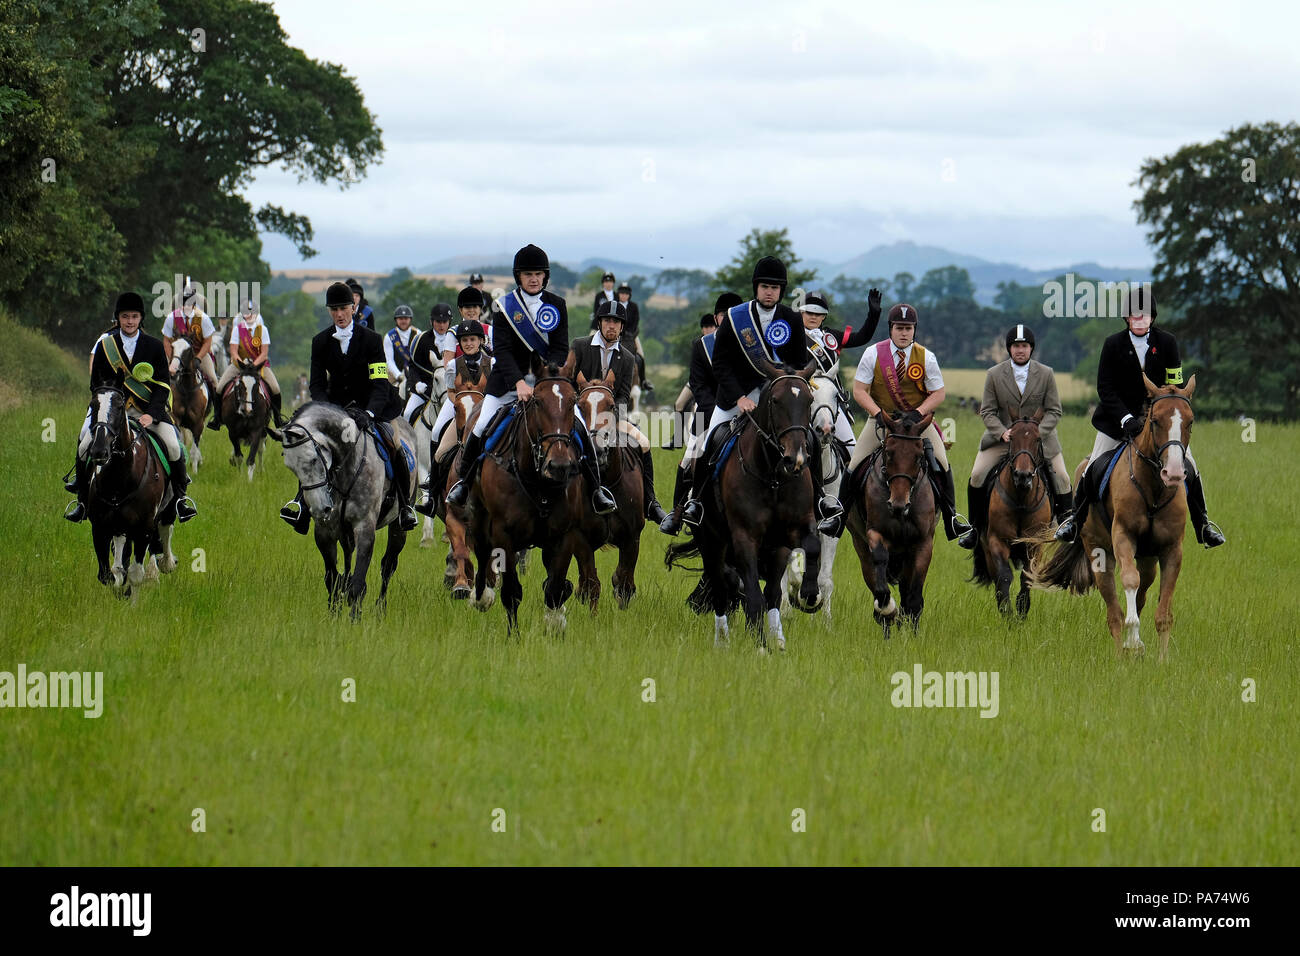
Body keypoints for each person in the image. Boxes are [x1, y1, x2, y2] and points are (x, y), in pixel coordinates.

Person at [658, 258, 841, 536]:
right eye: (765, 286)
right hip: (736, 397)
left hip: (776, 394)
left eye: (775, 288)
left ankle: (820, 500)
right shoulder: (735, 317)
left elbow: (798, 362)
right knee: (709, 442)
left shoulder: (791, 318)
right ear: (756, 288)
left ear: (781, 291)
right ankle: (694, 502)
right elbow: (720, 364)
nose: (770, 292)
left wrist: (788, 386)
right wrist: (739, 397)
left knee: (810, 440)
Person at [446, 244, 613, 511]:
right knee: (481, 425)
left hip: (548, 383)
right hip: (509, 384)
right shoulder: (504, 306)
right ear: (518, 277)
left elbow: (560, 347)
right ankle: (463, 484)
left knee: (580, 426)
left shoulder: (557, 304)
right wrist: (519, 382)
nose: (533, 279)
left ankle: (596, 490)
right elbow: (501, 349)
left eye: (538, 274)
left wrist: (548, 376)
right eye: (527, 274)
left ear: (545, 276)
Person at [1055, 288, 1224, 547]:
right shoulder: (1113, 344)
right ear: (1127, 318)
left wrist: (1163, 412)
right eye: (1134, 315)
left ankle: (1203, 526)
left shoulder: (1167, 343)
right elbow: (1105, 388)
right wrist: (1126, 418)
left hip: (1160, 425)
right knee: (1092, 468)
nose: (1139, 320)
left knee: (1190, 467)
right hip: (1115, 423)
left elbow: (1174, 386)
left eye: (1144, 316)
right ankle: (1074, 523)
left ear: (1152, 318)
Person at [279, 281, 416, 533]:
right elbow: (317, 386)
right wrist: (330, 413)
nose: (339, 314)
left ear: (353, 307)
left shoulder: (372, 340)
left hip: (374, 405)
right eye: (334, 310)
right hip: (335, 409)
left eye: (343, 308)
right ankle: (300, 504)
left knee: (394, 444)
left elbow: (379, 383)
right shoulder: (320, 341)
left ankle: (405, 506)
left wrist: (370, 413)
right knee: (311, 450)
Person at [844, 303, 974, 546]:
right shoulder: (873, 354)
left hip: (918, 423)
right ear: (890, 329)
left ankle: (951, 518)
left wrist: (918, 413)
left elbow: (938, 393)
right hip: (882, 420)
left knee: (942, 463)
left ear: (915, 330)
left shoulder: (926, 357)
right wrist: (879, 414)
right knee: (853, 464)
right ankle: (839, 516)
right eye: (899, 328)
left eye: (908, 328)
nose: (904, 333)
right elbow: (859, 391)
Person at [64, 292, 197, 523]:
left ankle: (180, 500)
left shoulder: (154, 346)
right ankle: (83, 501)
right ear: (118, 318)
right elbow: (96, 383)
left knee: (174, 445)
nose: (129, 321)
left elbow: (163, 385)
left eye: (134, 316)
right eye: (125, 316)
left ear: (140, 319)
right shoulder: (106, 346)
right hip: (110, 411)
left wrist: (152, 414)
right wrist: (108, 406)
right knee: (86, 438)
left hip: (147, 410)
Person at [963, 324, 1072, 547]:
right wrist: (1001, 432)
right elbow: (987, 411)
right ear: (1009, 349)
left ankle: (1065, 524)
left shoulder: (1046, 374)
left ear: (1031, 348)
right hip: (1005, 438)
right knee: (977, 474)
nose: (1020, 350)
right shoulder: (994, 374)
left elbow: (1054, 410)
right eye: (1015, 346)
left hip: (1039, 440)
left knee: (1062, 476)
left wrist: (1038, 433)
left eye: (1024, 346)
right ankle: (975, 528)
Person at [567, 300, 667, 523]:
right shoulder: (580, 346)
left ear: (622, 327)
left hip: (609, 416)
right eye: (607, 321)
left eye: (616, 322)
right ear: (600, 323)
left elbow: (623, 395)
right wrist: (578, 411)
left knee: (644, 443)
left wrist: (612, 417)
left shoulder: (628, 357)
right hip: (580, 415)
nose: (611, 325)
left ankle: (650, 502)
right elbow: (568, 383)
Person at [414, 319, 493, 515]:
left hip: (485, 411)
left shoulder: (492, 363)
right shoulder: (452, 366)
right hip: (460, 410)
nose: (468, 343)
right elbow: (450, 391)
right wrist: (459, 401)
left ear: (481, 341)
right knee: (440, 451)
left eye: (472, 339)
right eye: (464, 340)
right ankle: (432, 499)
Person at [798, 287, 882, 468]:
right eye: (809, 312)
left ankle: (848, 496)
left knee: (853, 454)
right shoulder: (792, 337)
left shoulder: (831, 336)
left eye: (818, 313)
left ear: (824, 316)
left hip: (831, 403)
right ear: (802, 312)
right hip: (803, 402)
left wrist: (873, 316)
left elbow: (861, 337)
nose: (813, 317)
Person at [211, 298, 284, 429]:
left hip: (259, 364)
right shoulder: (237, 326)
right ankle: (217, 418)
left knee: (276, 388)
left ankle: (278, 419)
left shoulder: (262, 328)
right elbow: (233, 350)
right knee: (219, 387)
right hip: (240, 363)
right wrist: (242, 364)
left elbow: (264, 353)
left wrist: (254, 365)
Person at [663, 311, 717, 450]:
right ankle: (677, 439)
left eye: (711, 326)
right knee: (679, 403)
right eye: (705, 327)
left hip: (716, 383)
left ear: (715, 327)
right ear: (702, 329)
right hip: (697, 381)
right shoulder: (697, 343)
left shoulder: (720, 342)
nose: (708, 329)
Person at [161, 288, 218, 398]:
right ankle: (162, 408)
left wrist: (198, 358)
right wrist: (172, 357)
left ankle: (217, 412)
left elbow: (207, 342)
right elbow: (166, 340)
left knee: (214, 380)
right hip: (176, 353)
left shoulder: (203, 318)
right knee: (161, 376)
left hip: (198, 352)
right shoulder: (171, 317)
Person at [383, 304, 421, 400]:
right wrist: (399, 376)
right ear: (396, 320)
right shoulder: (389, 336)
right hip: (395, 372)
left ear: (410, 319)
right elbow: (389, 360)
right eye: (400, 318)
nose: (403, 321)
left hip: (414, 371)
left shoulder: (418, 334)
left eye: (406, 318)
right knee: (384, 390)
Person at [454, 287, 493, 353]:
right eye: (467, 307)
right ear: (460, 310)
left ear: (480, 309)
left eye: (475, 306)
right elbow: (448, 362)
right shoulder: (452, 333)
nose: (471, 310)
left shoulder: (490, 330)